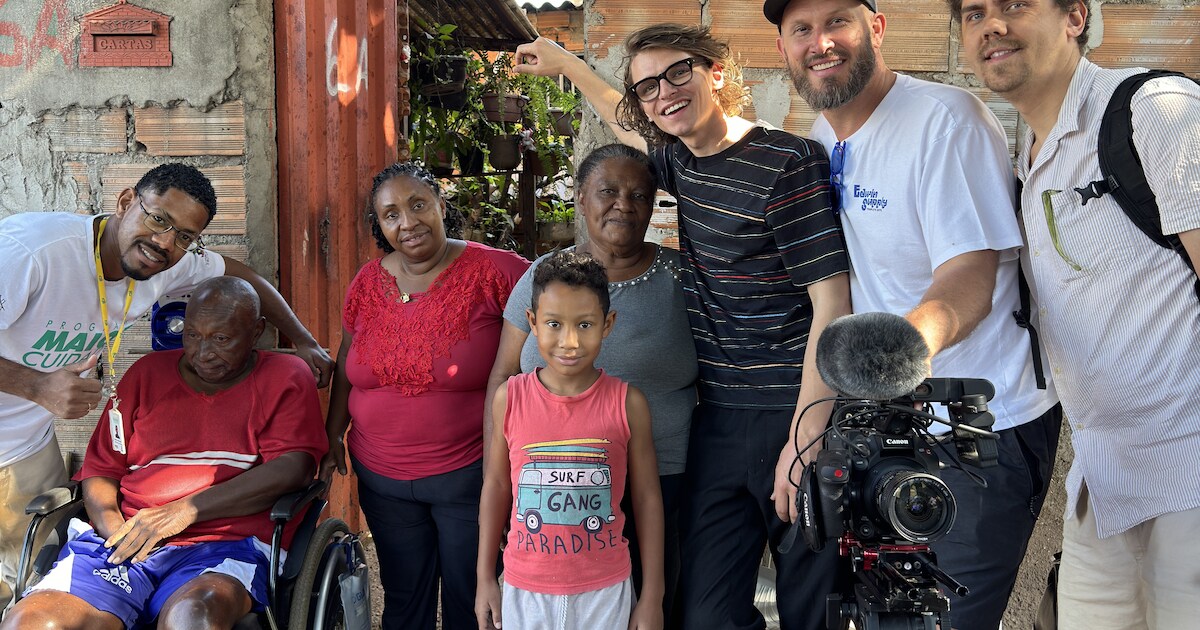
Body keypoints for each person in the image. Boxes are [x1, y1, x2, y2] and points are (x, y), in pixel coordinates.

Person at [516, 25, 852, 630]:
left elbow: (832, 302)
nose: (664, 93)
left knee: (813, 608)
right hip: (718, 419)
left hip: (790, 408)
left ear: (715, 72)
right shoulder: (678, 163)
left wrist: (807, 437)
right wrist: (567, 63)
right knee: (704, 615)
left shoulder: (787, 161)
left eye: (678, 73)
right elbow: (622, 122)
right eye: (648, 86)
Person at [763, 0, 1063, 627]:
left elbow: (969, 280)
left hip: (977, 433)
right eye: (801, 30)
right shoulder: (820, 141)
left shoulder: (945, 123)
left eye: (836, 21)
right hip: (880, 430)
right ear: (784, 49)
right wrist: (806, 431)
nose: (821, 43)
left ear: (875, 28)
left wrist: (896, 352)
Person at [948, 1, 1200, 627]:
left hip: (1189, 477)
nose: (992, 26)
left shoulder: (1155, 112)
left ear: (1075, 17)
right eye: (974, 12)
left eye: (1014, 5)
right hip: (1103, 484)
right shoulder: (1030, 159)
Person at [0, 163, 333, 614]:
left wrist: (306, 342)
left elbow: (245, 279)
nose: (164, 242)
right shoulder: (30, 252)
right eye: (158, 219)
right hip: (103, 507)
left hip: (28, 447)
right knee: (31, 614)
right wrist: (36, 385)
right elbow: (104, 469)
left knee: (12, 587)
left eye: (184, 236)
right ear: (124, 202)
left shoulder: (166, 266)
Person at [485, 144, 696, 624]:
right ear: (581, 198)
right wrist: (501, 478)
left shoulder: (680, 276)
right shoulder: (547, 278)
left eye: (640, 195)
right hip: (558, 478)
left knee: (654, 603)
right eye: (608, 191)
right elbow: (504, 372)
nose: (624, 203)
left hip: (663, 477)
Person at [320, 163, 529, 630]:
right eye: (391, 214)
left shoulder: (499, 271)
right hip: (382, 477)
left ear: (440, 205)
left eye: (418, 205)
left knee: (472, 600)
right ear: (380, 226)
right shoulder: (368, 282)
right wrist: (333, 431)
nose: (408, 222)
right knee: (404, 600)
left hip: (470, 475)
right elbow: (347, 359)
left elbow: (549, 339)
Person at [476, 251, 665, 630]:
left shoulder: (628, 404)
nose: (570, 341)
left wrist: (652, 598)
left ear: (607, 324)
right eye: (554, 324)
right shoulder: (509, 399)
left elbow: (646, 498)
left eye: (584, 324)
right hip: (525, 589)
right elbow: (496, 485)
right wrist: (484, 578)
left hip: (605, 591)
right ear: (531, 323)